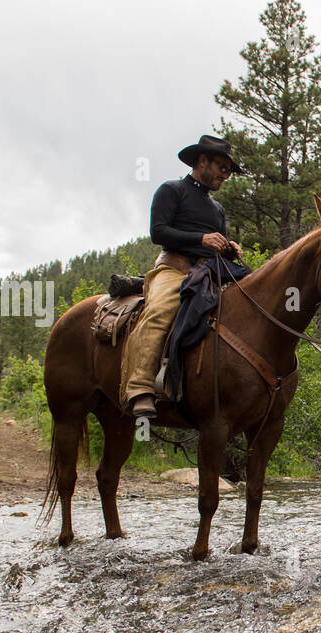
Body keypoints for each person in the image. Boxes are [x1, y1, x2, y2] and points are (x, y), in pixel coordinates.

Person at [120, 134, 246, 421]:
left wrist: (229, 248)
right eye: (222, 168)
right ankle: (140, 387)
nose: (226, 176)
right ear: (202, 161)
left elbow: (217, 243)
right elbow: (158, 232)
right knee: (161, 310)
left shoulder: (217, 209)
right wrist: (202, 238)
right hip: (174, 270)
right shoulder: (171, 190)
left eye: (229, 171)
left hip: (210, 274)